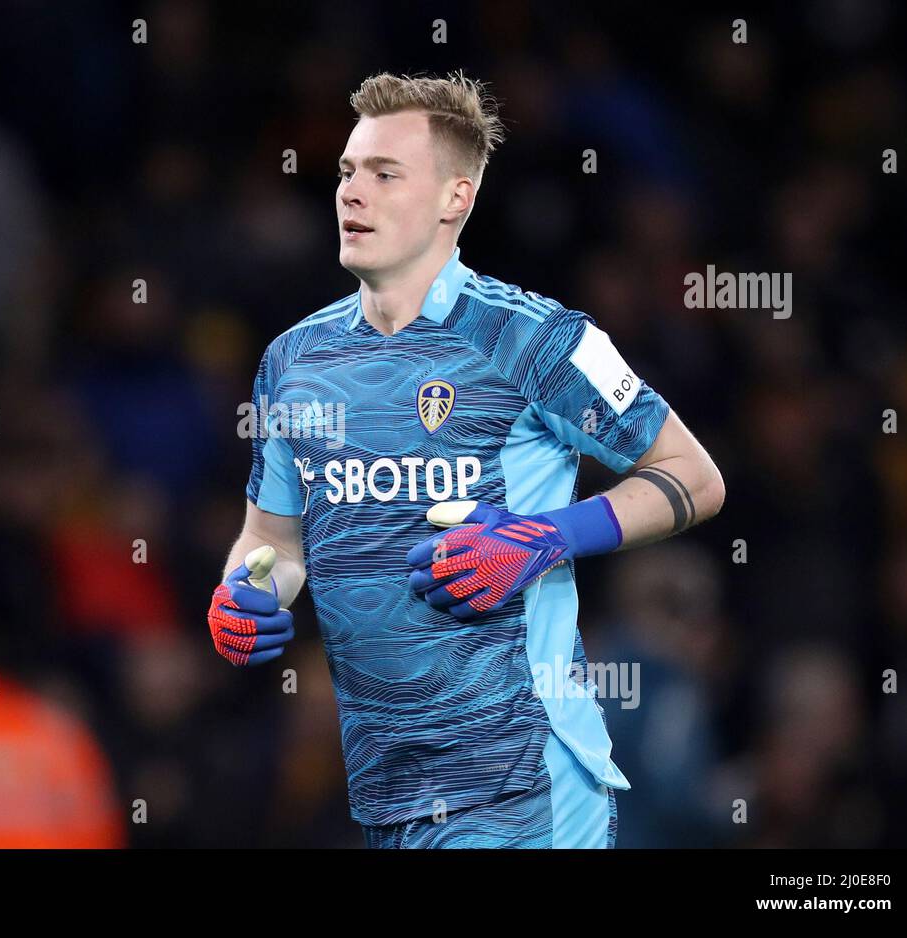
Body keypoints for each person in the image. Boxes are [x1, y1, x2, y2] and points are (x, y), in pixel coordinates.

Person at [207, 71, 725, 848]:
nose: (352, 193)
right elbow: (274, 541)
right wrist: (245, 593)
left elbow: (694, 476)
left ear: (456, 198)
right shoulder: (295, 361)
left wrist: (545, 537)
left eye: (385, 174)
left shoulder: (538, 339)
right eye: (348, 172)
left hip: (524, 779)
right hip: (387, 788)